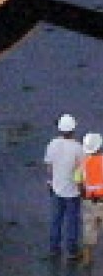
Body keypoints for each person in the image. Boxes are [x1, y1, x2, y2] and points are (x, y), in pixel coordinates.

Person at [44, 114, 83, 260]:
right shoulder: (78, 148)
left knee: (56, 220)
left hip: (56, 189)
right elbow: (79, 172)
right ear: (73, 129)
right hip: (72, 192)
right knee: (72, 222)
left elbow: (49, 167)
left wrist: (50, 181)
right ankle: (72, 250)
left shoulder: (53, 144)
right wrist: (81, 188)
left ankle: (54, 248)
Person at [76, 132, 103, 266]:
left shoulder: (83, 163)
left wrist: (83, 194)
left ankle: (87, 259)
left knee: (89, 229)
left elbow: (78, 181)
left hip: (89, 202)